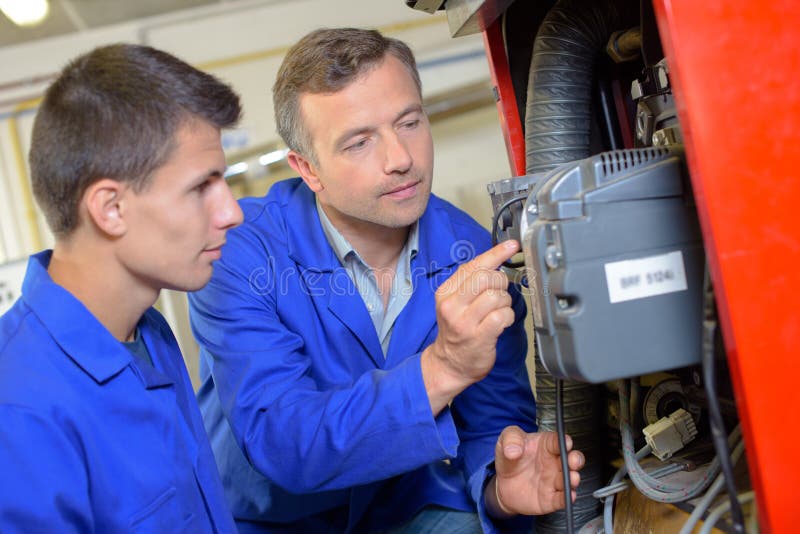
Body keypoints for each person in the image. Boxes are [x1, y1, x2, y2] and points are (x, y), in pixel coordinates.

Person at [188, 28, 584, 533]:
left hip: (404, 506)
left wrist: (498, 488)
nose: (400, 158)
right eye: (359, 142)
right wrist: (442, 369)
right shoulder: (238, 250)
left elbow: (494, 424)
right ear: (308, 169)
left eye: (409, 122)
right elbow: (283, 439)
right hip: (267, 521)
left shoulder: (475, 255)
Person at [0, 44, 244, 532]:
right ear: (110, 209)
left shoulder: (148, 332)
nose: (232, 212)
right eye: (202, 187)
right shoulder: (18, 410)